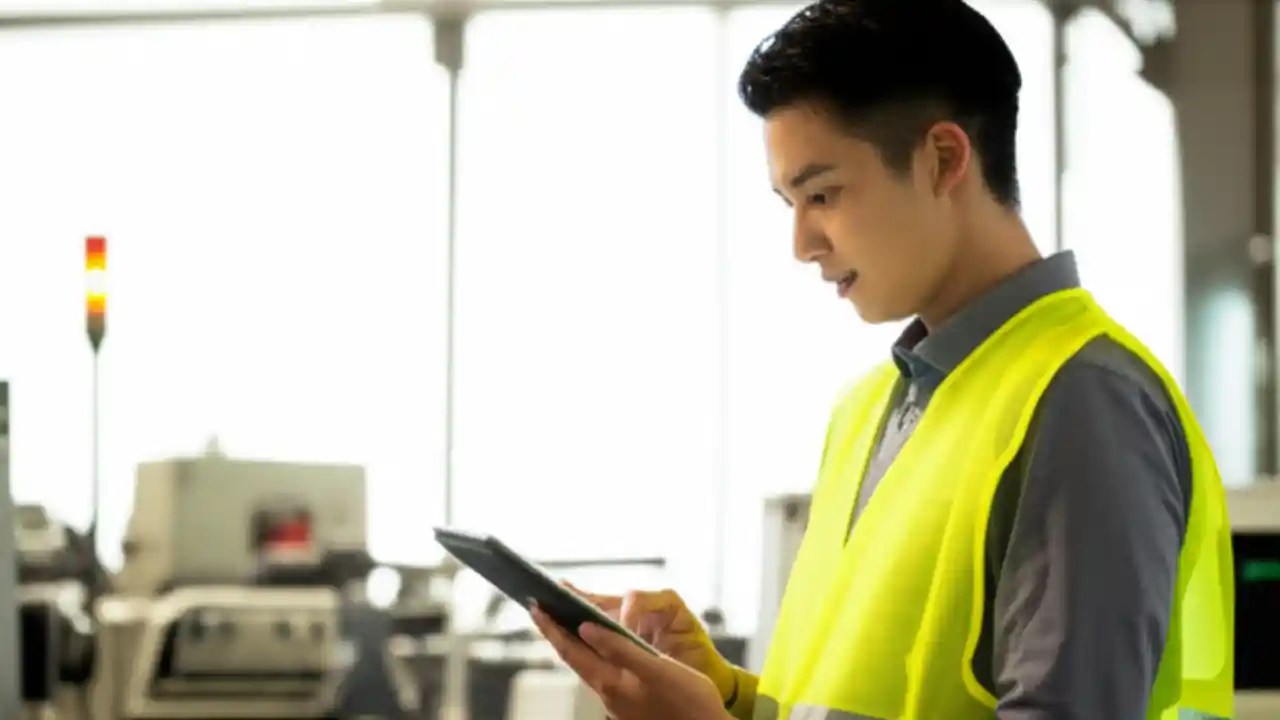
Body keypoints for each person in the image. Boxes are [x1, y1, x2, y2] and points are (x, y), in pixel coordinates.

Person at [529, 0, 1236, 718]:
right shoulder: (871, 407)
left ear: (943, 159)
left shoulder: (1086, 400)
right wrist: (728, 695)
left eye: (823, 195)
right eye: (789, 203)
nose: (802, 242)